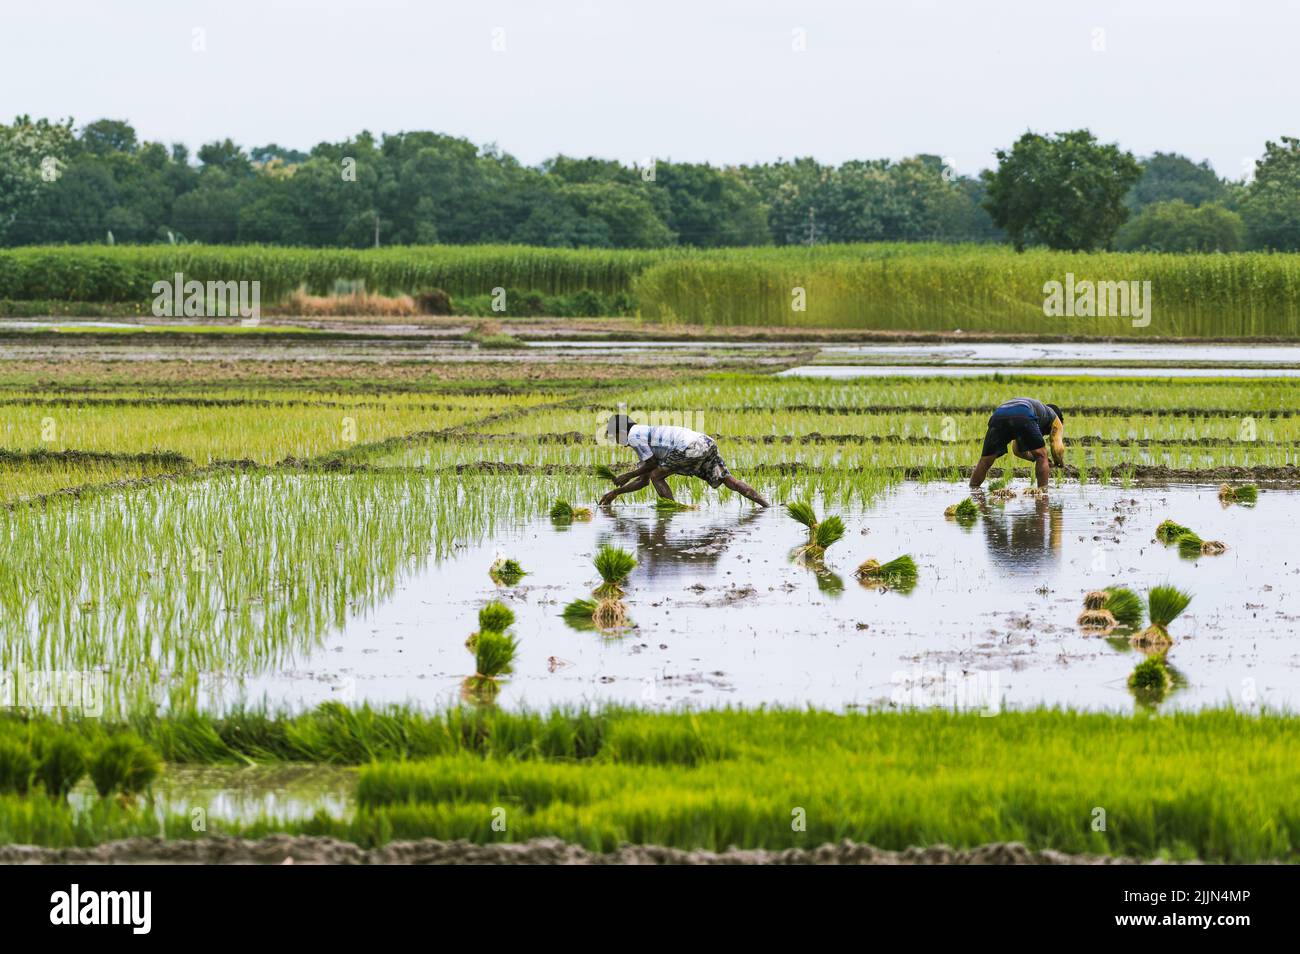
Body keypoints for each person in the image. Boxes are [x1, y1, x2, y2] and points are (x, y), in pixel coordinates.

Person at [599, 415, 770, 507]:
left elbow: (651, 468)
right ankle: (766, 506)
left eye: (614, 436)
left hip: (689, 447)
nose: (615, 440)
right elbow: (643, 480)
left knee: (656, 476)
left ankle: (673, 512)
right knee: (728, 480)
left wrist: (627, 475)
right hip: (706, 442)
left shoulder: (634, 436)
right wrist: (616, 493)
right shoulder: (644, 433)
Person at [969, 398, 1065, 490]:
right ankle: (1043, 496)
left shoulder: (1037, 412)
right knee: (1042, 455)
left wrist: (1035, 458)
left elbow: (1018, 451)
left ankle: (973, 491)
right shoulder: (1055, 419)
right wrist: (1058, 463)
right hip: (1023, 413)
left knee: (985, 460)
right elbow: (1057, 449)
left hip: (998, 415)